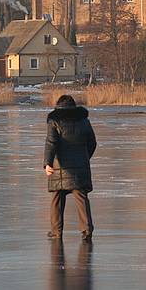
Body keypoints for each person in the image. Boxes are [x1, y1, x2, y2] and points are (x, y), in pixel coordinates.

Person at [44, 95, 97, 241]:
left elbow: (51, 143)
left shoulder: (54, 121)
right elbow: (92, 142)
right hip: (80, 166)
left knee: (57, 198)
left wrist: (47, 163)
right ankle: (87, 229)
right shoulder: (84, 120)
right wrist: (85, 157)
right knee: (81, 197)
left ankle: (56, 231)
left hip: (59, 167)